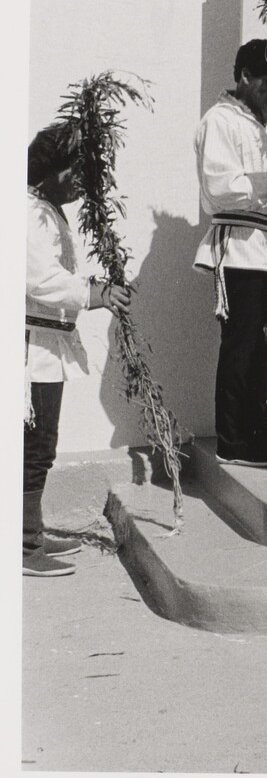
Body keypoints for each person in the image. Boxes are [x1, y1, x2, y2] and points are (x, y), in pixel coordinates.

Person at [193, 38, 267, 468]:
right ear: (243, 76)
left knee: (262, 347)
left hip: (266, 249)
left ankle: (257, 431)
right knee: (241, 346)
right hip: (240, 246)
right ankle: (233, 440)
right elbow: (218, 189)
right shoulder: (220, 121)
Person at [25, 125, 131, 577]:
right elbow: (38, 278)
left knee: (40, 446)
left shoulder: (47, 209)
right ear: (49, 170)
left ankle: (26, 531)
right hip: (30, 348)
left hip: (47, 343)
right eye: (73, 169)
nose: (78, 180)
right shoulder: (29, 212)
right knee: (34, 447)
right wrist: (94, 292)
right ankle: (23, 548)